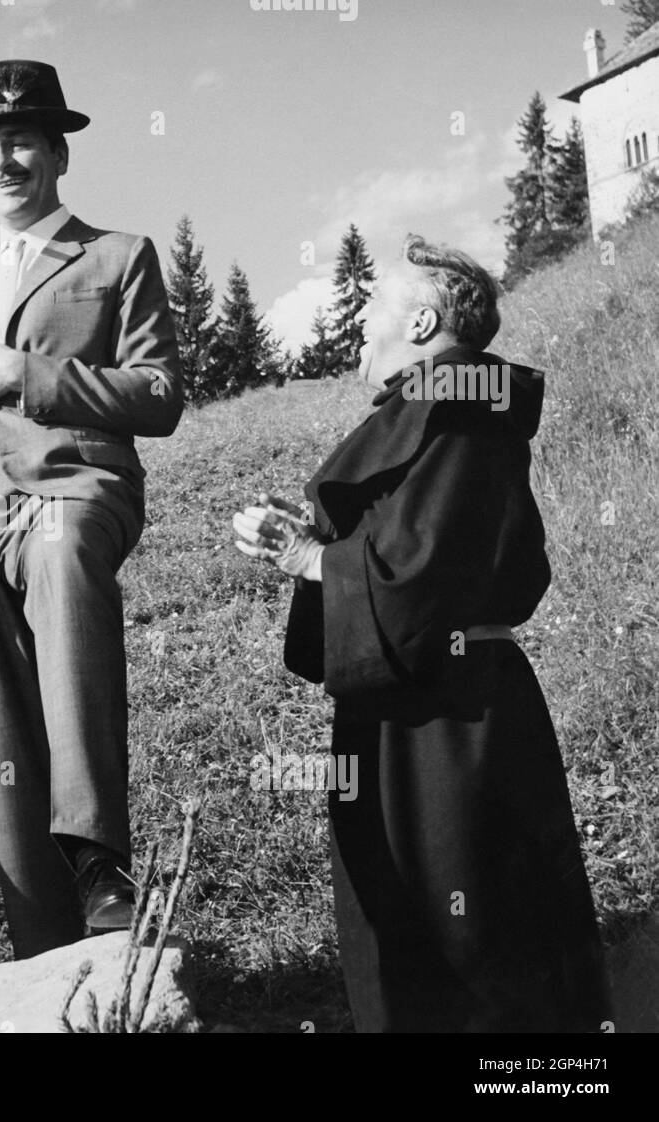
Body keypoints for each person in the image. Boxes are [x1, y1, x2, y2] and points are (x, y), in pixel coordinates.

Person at [232, 234, 611, 1031]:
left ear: (422, 322)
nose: (358, 324)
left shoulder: (462, 405)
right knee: (423, 934)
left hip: (449, 716)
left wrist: (312, 558)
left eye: (374, 305)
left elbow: (432, 572)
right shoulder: (441, 410)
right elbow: (409, 551)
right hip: (415, 709)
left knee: (474, 946)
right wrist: (321, 546)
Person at [0, 60, 183, 959]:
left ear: (59, 153)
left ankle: (100, 862)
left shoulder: (119, 255)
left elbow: (159, 393)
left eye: (19, 141)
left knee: (65, 572)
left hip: (70, 492)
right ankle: (43, 948)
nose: (0, 162)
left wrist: (26, 375)